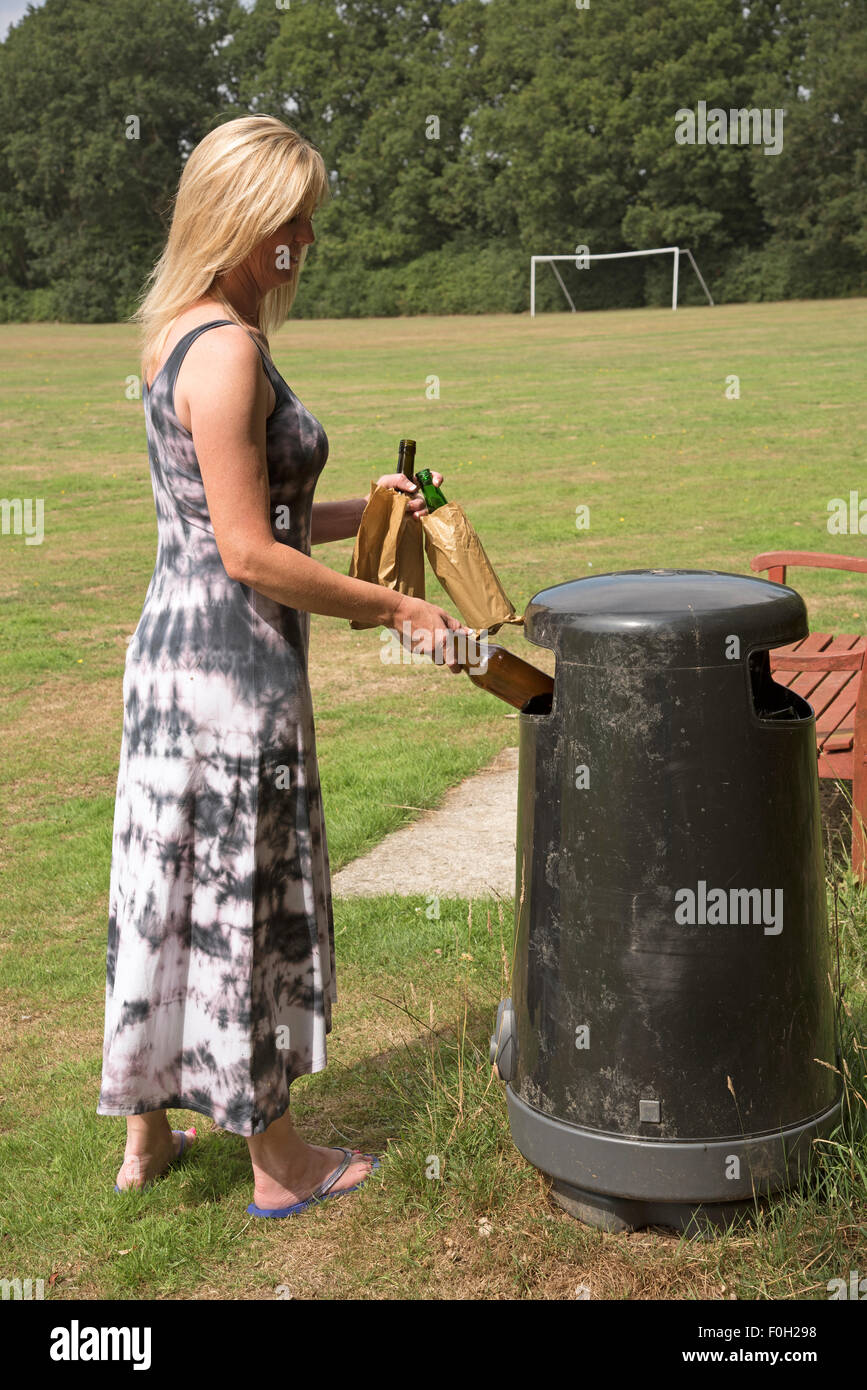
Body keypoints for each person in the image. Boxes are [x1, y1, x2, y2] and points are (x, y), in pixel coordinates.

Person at [97, 114, 467, 1217]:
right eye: (293, 219)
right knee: (243, 908)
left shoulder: (177, 332)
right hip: (229, 680)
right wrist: (398, 603)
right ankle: (280, 1163)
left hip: (169, 664)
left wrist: (366, 510)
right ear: (248, 223)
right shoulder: (228, 352)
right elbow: (252, 552)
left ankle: (148, 1132)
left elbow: (246, 512)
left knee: (164, 893)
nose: (307, 236)